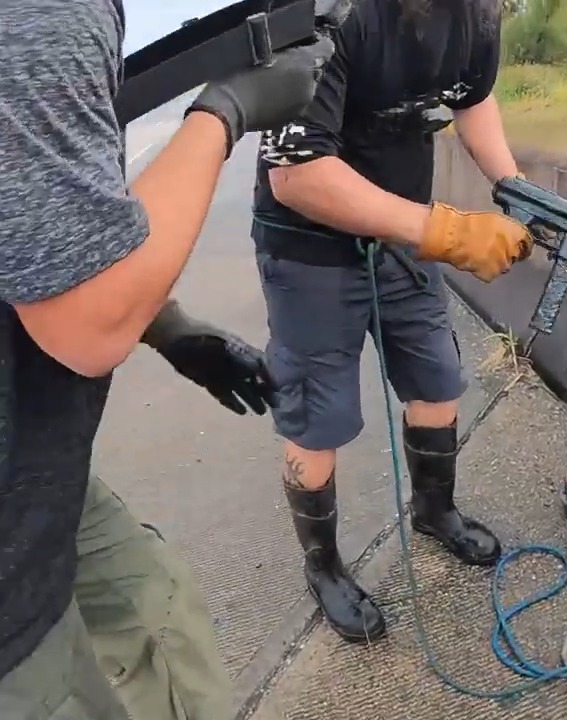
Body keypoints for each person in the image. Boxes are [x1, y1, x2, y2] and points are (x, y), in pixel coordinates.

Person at [0, 1, 334, 718]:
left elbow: (43, 216)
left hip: (38, 467)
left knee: (160, 613)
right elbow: (86, 319)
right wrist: (227, 112)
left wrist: (167, 326)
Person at [251, 0, 534, 642]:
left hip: (404, 238)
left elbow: (472, 100)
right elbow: (297, 175)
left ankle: (434, 510)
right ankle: (322, 565)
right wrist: (446, 231)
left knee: (437, 380)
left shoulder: (476, 14)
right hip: (308, 247)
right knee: (316, 417)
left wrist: (517, 190)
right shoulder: (320, 15)